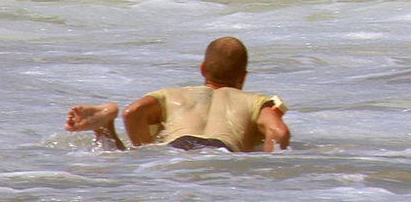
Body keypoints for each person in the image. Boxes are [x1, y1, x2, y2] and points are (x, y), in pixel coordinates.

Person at [63, 36, 290, 152]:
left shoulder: (172, 95)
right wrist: (264, 167)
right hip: (220, 150)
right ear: (242, 77)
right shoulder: (255, 101)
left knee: (123, 156)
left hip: (176, 148)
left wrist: (148, 149)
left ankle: (105, 126)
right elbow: (278, 132)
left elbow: (133, 112)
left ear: (202, 69)